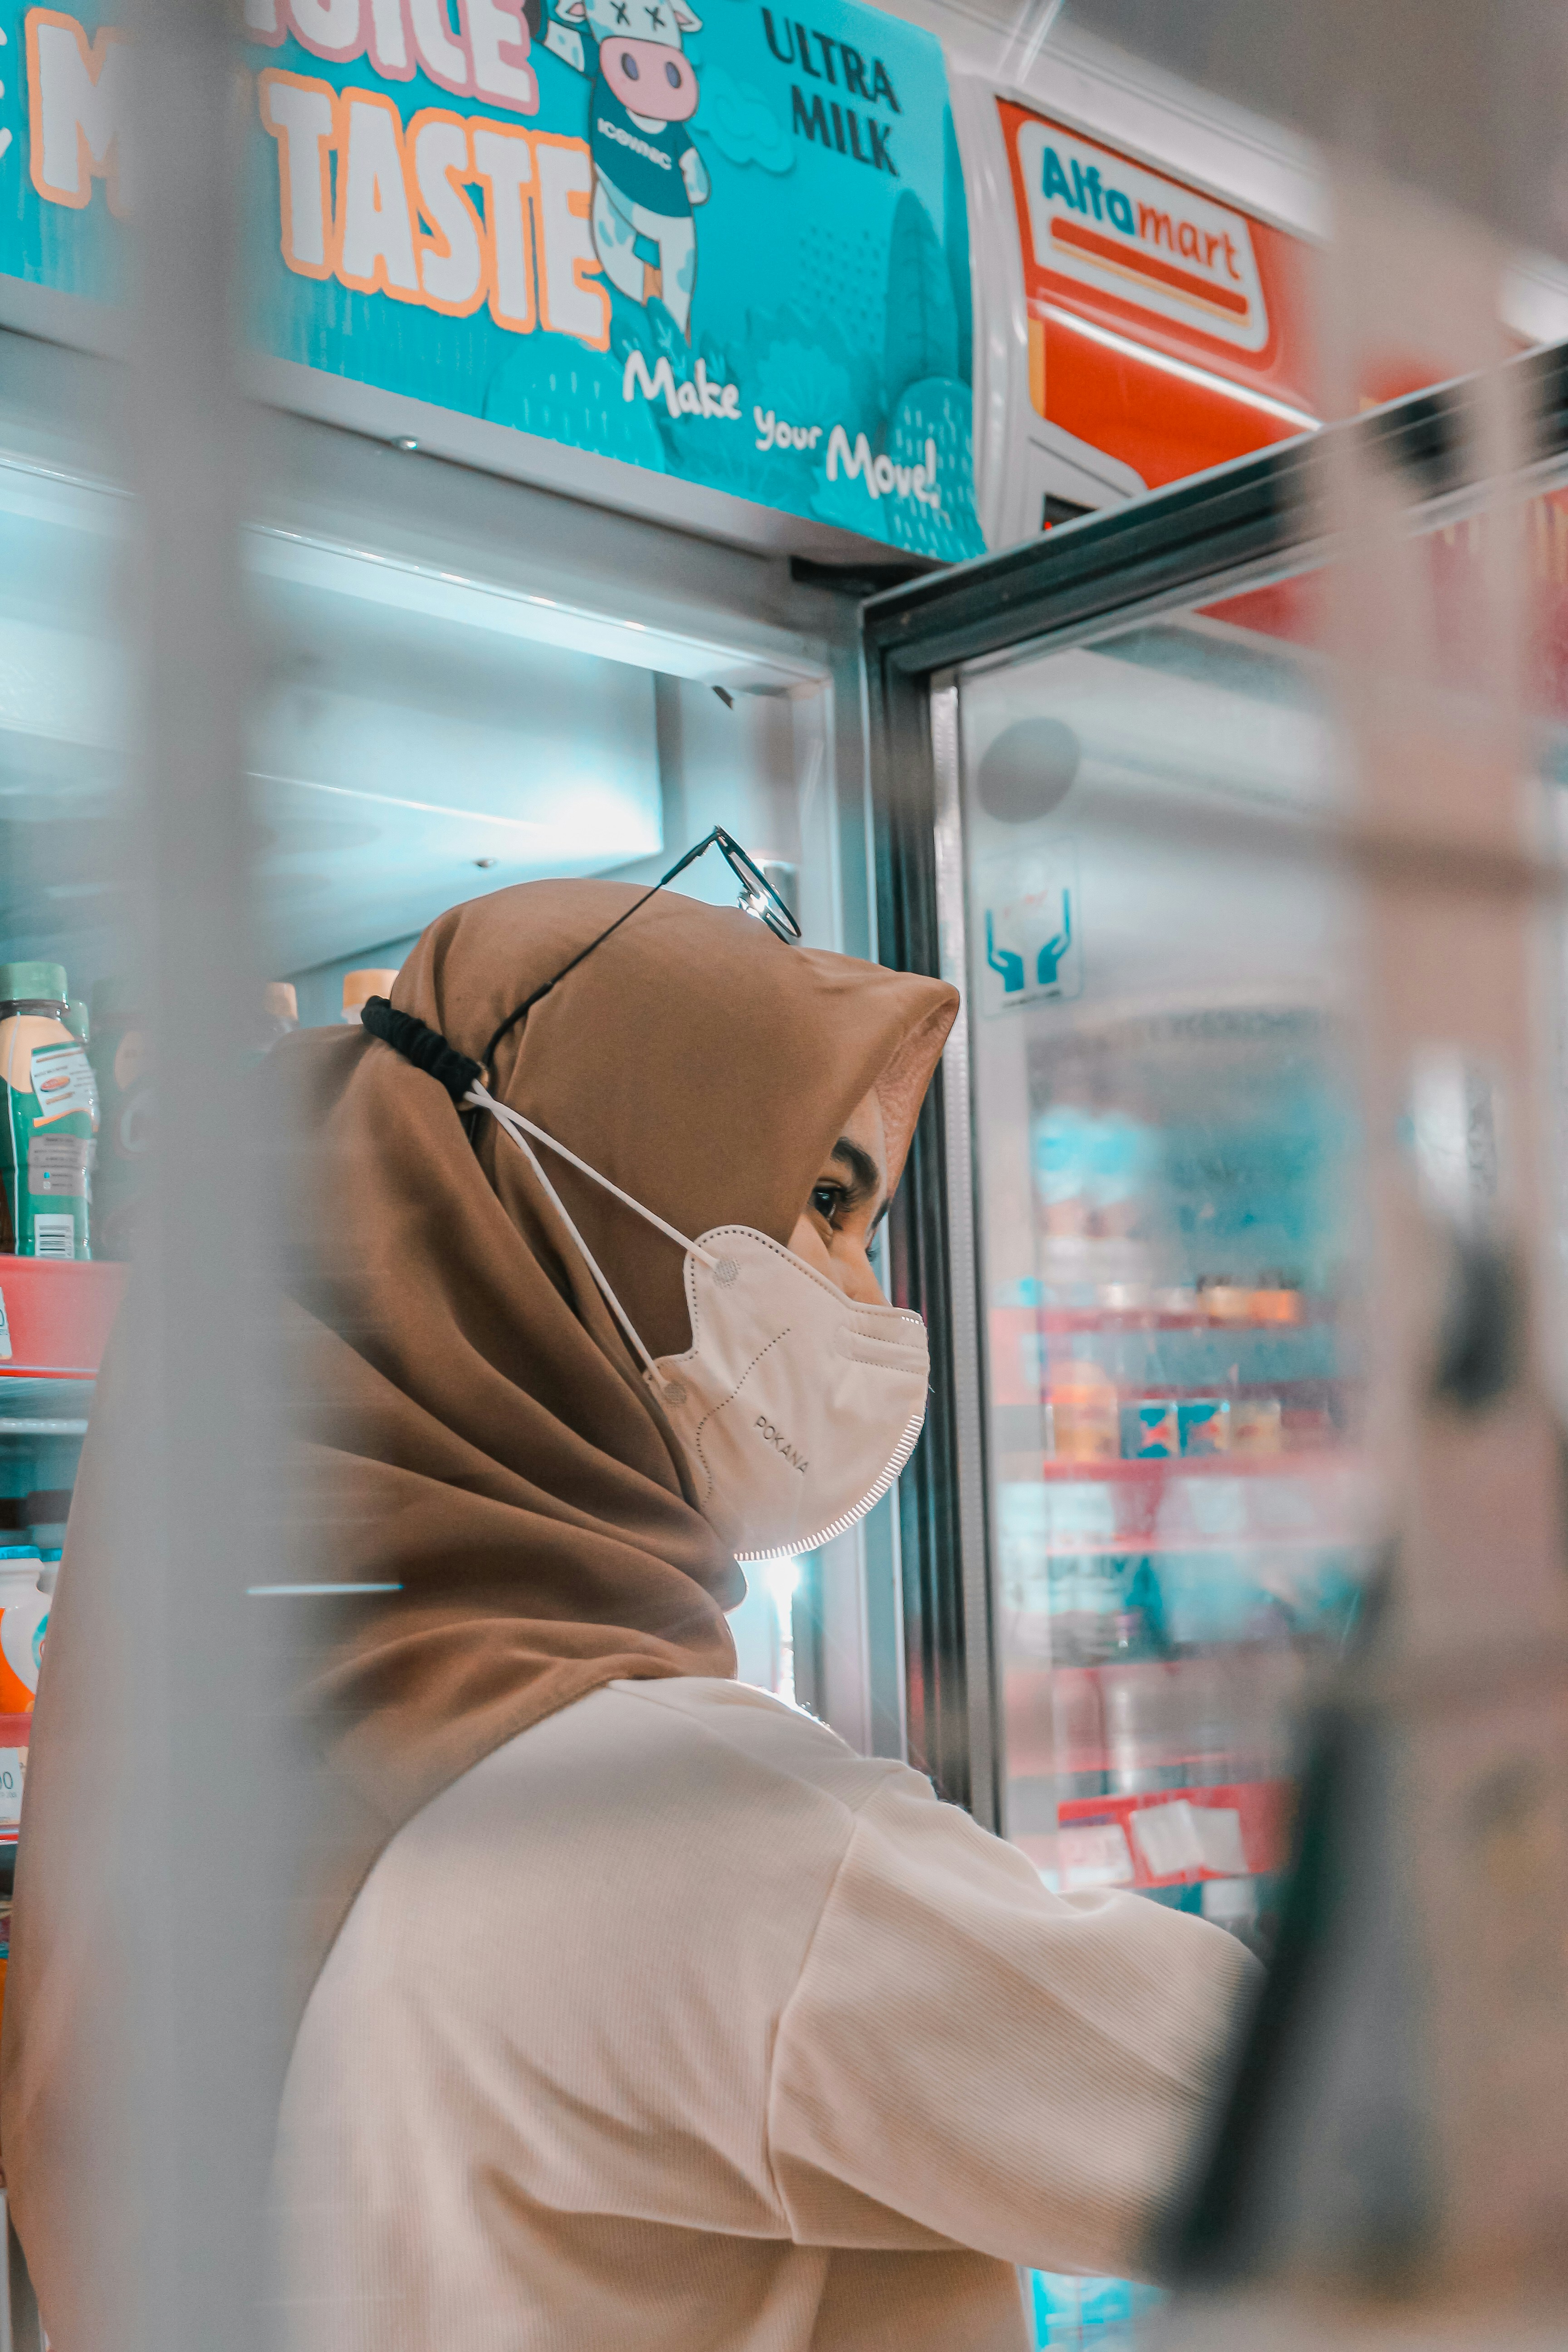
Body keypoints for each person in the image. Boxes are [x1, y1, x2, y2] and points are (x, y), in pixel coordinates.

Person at [3, 876, 1256, 2352]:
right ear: (569, 1204)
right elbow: (1331, 2139)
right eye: (829, 1201)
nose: (865, 1291)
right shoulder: (670, 1812)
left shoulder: (224, 1802)